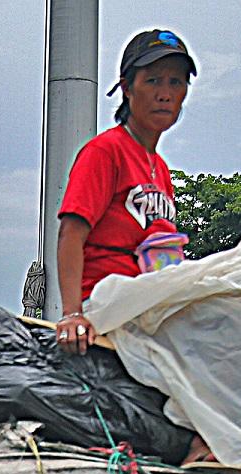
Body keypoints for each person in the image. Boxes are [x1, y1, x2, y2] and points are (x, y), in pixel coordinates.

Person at [53, 29, 196, 358]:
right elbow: (72, 233)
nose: (165, 94)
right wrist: (72, 314)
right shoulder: (105, 151)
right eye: (153, 81)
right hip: (106, 304)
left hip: (147, 305)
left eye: (176, 83)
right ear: (127, 87)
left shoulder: (160, 168)